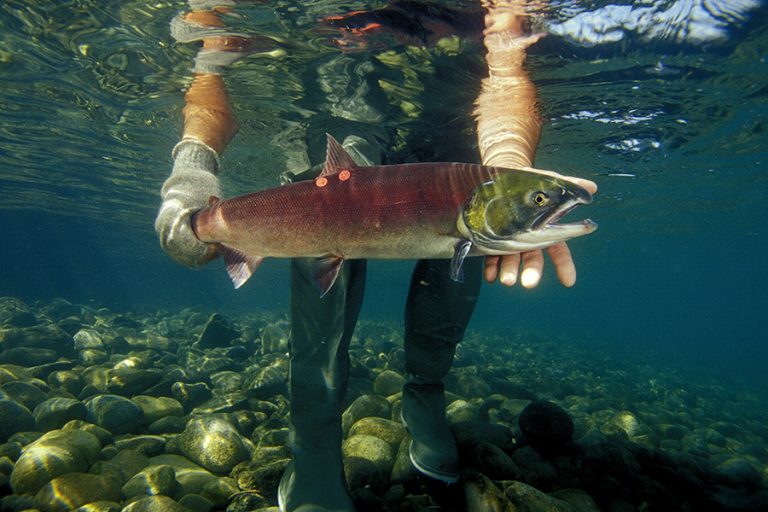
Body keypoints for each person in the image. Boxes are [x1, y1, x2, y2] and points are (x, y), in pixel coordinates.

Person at [155, 1, 598, 511]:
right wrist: (191, 171)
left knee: (471, 242)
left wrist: (508, 171)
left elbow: (506, 72)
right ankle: (313, 439)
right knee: (337, 197)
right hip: (345, 112)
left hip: (455, 127)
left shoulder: (502, 7)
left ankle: (425, 393)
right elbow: (210, 59)